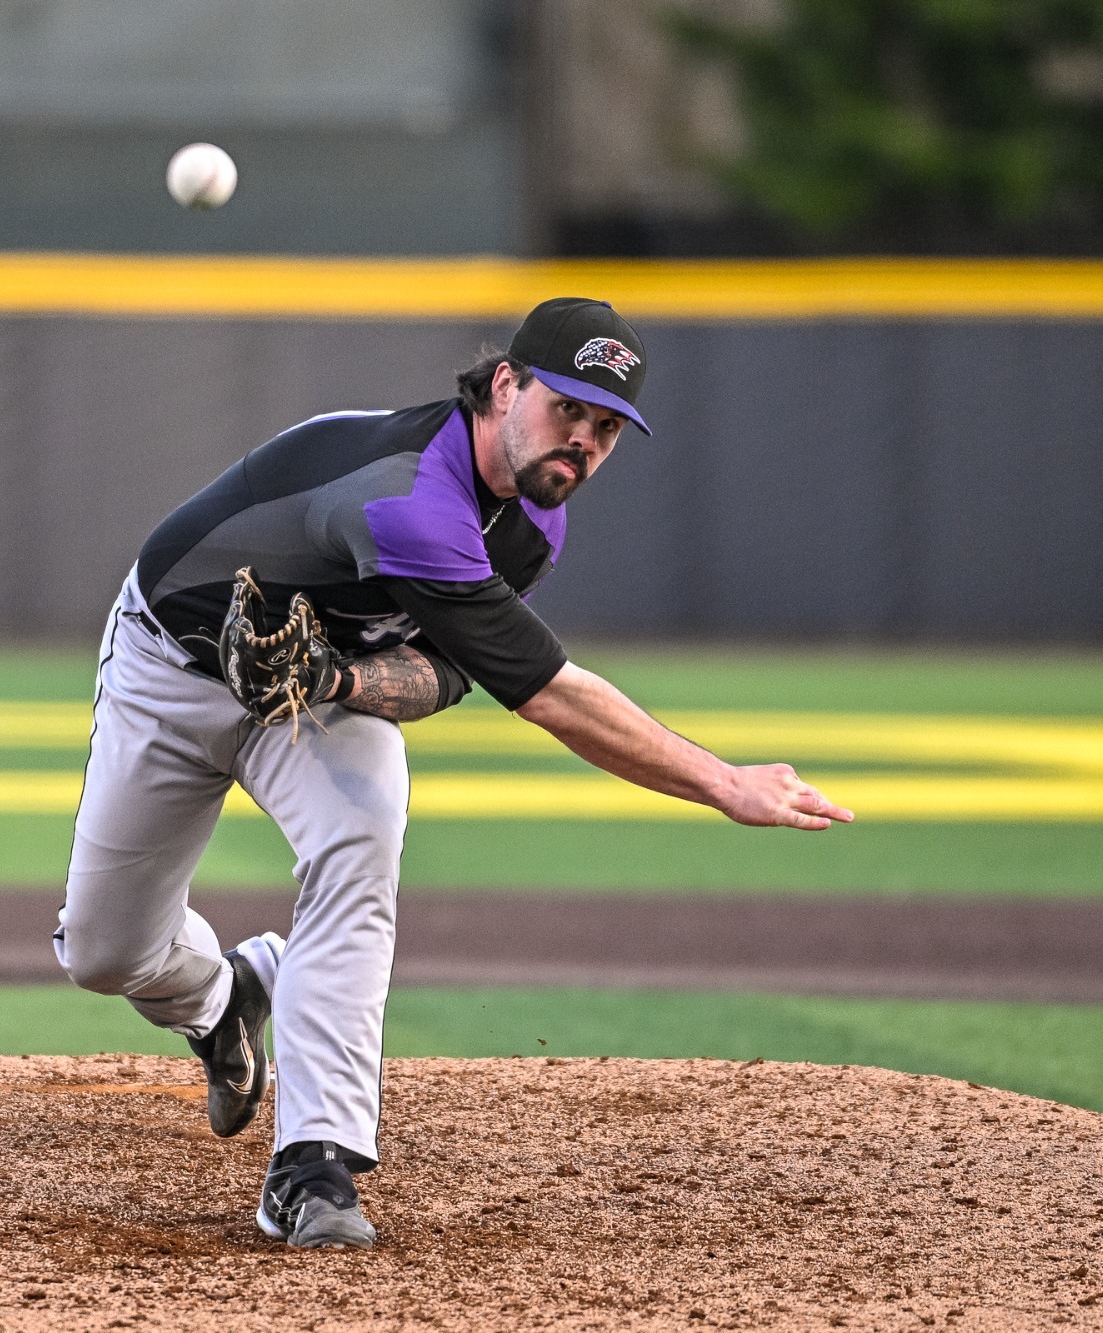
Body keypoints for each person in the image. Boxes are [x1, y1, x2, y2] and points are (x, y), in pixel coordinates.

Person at [54, 297, 853, 1249]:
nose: (584, 444)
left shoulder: (529, 524)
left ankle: (315, 1165)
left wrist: (340, 677)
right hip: (168, 668)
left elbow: (449, 672)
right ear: (506, 386)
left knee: (361, 841)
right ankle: (229, 995)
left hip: (310, 698)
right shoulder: (407, 494)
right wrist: (722, 780)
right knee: (106, 954)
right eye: (568, 410)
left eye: (607, 428)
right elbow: (551, 693)